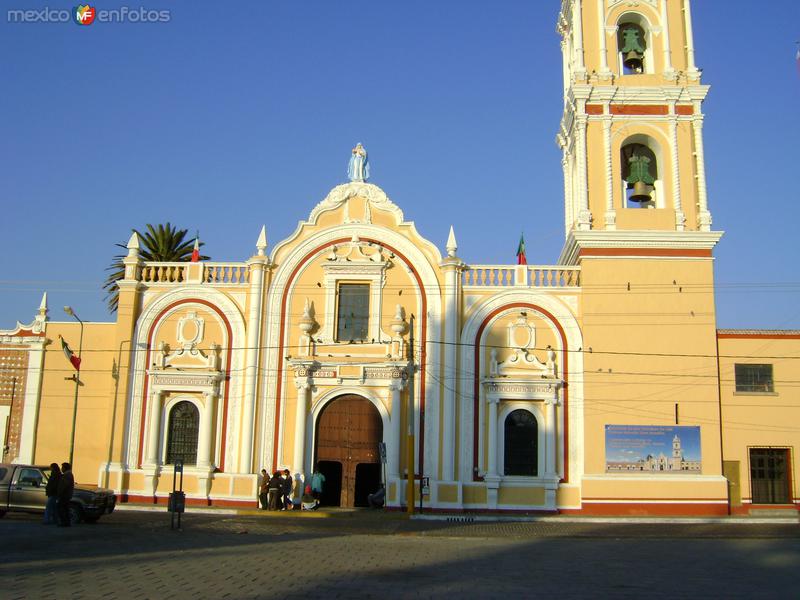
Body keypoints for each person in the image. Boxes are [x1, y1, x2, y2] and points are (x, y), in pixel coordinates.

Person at [57, 462, 75, 527]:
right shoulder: (68, 474)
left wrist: (59, 493)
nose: (61, 469)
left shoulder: (67, 475)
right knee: (65, 509)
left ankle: (64, 522)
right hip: (67, 495)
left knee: (62, 509)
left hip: (64, 495)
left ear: (65, 468)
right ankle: (66, 522)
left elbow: (64, 486)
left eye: (62, 467)